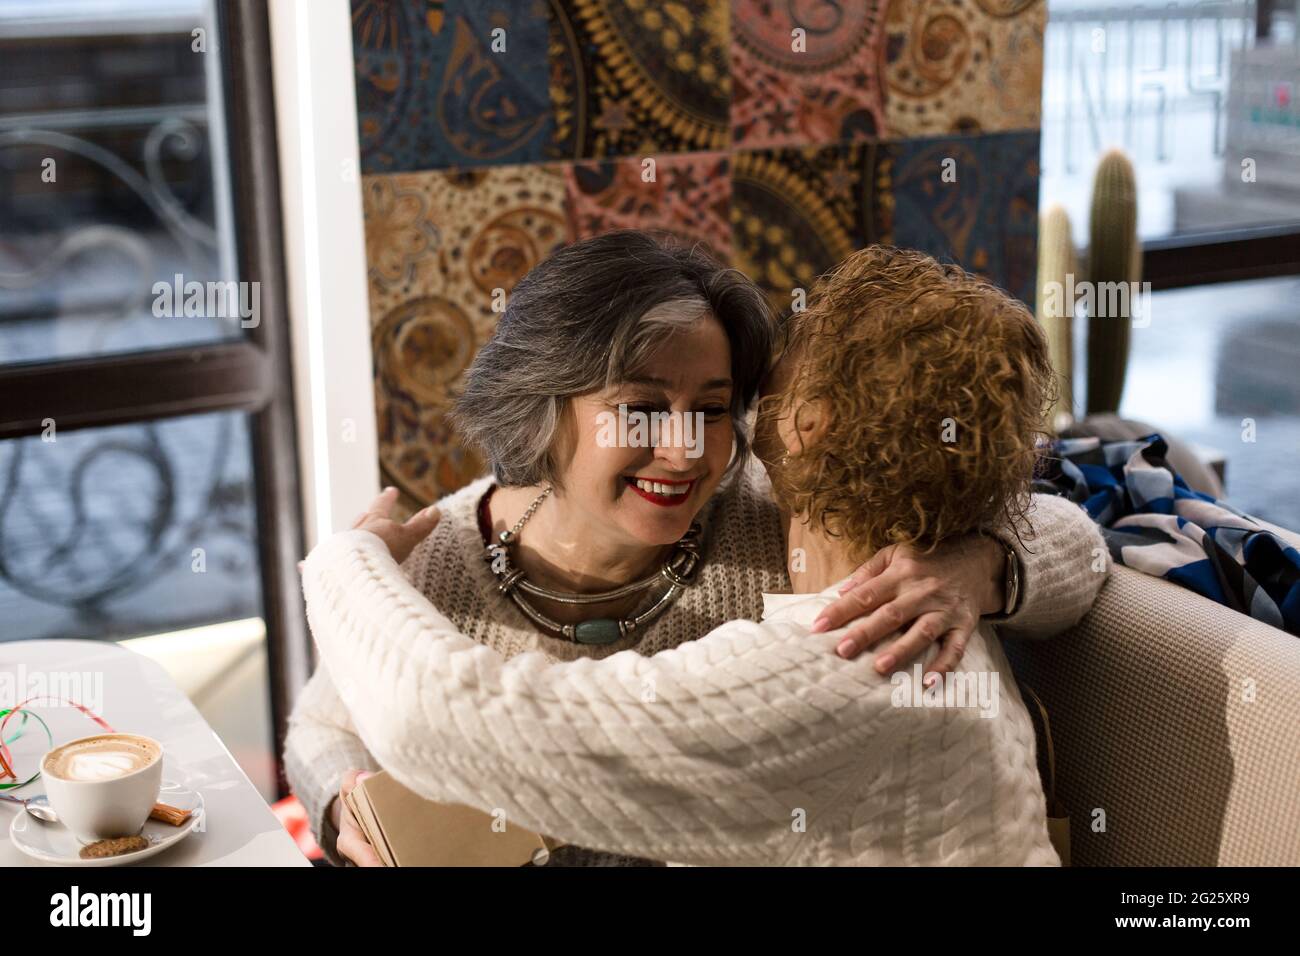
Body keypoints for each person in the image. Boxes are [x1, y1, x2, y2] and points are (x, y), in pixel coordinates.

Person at [287, 234, 1106, 865]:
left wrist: (978, 566)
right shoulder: (435, 557)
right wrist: (340, 802)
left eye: (713, 410)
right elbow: (324, 723)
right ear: (545, 405)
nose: (685, 452)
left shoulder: (781, 515)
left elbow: (1072, 538)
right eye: (642, 408)